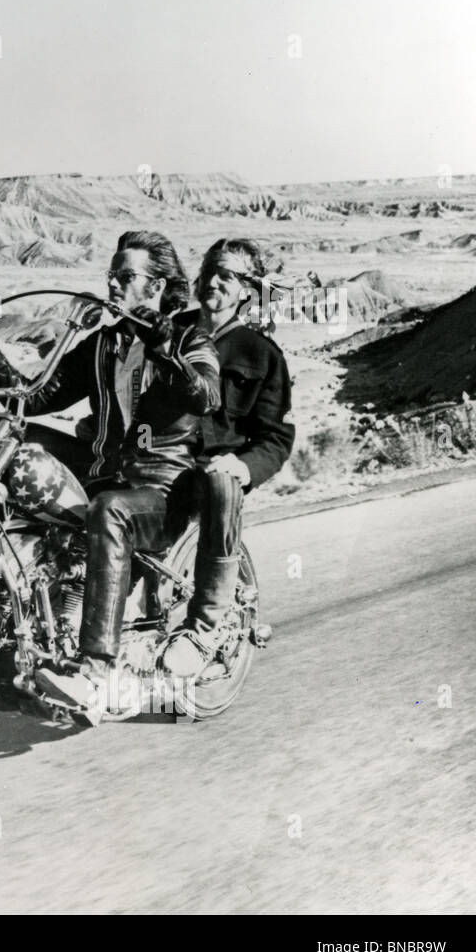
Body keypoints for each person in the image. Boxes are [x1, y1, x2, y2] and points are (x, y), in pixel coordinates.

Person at [0, 231, 220, 722]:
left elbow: (205, 396)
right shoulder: (104, 344)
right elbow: (34, 397)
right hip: (103, 475)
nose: (113, 286)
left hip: (159, 491)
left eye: (125, 277)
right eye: (111, 277)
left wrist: (165, 351)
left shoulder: (188, 337)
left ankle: (96, 668)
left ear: (158, 286)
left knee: (110, 508)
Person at [160, 239, 294, 676]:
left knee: (221, 481)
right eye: (212, 270)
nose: (215, 281)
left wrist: (243, 466)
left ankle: (206, 626)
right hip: (156, 460)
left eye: (230, 276)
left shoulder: (262, 355)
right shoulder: (167, 334)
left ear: (246, 291)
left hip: (207, 475)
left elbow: (274, 437)